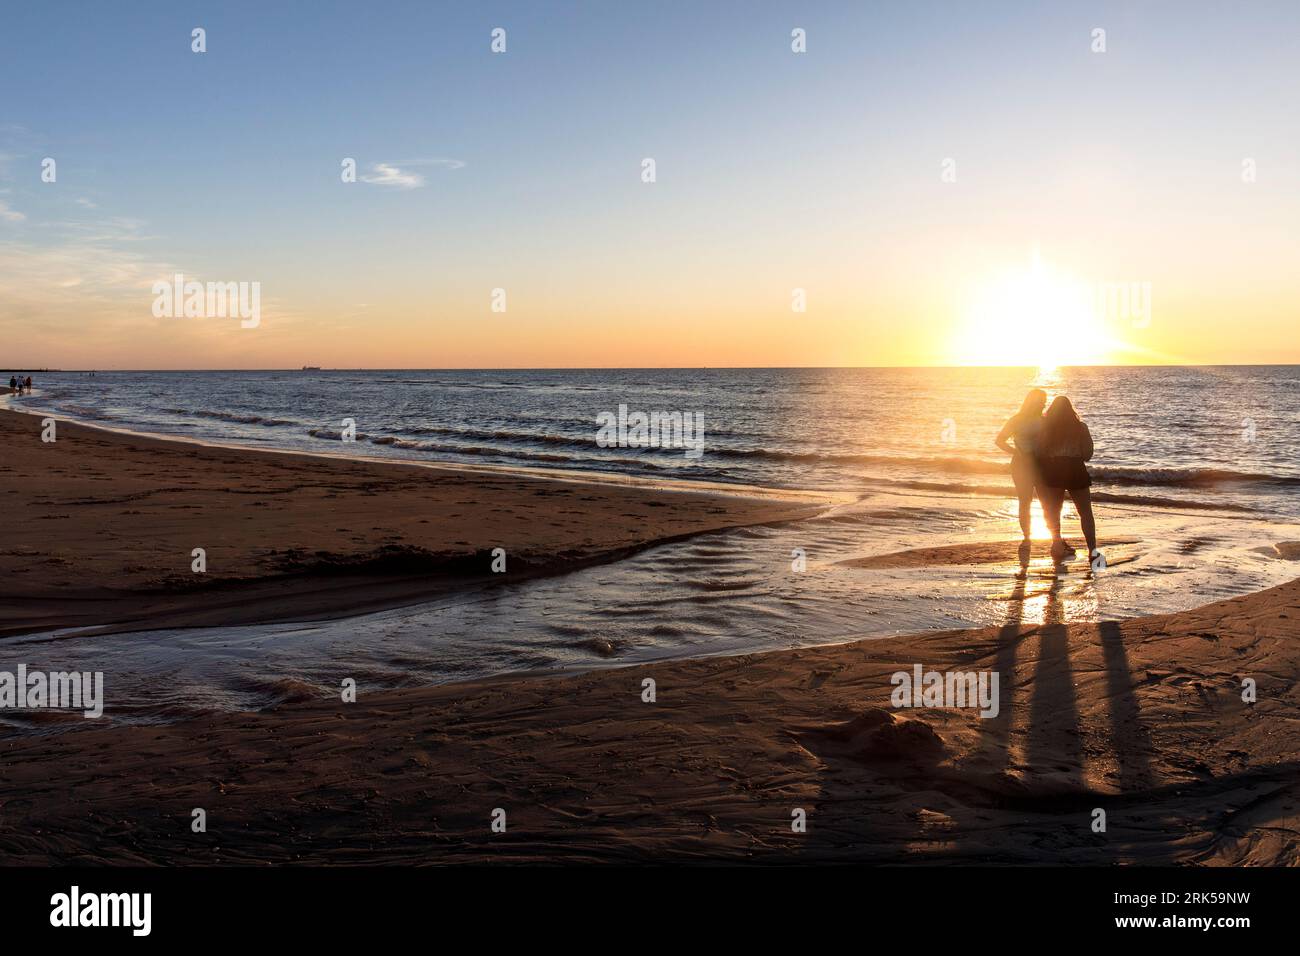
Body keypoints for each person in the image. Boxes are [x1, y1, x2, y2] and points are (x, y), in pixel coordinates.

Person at [1036, 396, 1099, 563]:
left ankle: (1057, 546)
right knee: (1085, 512)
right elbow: (1088, 454)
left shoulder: (1046, 427)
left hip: (1053, 469)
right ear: (1071, 410)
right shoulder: (1080, 428)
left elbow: (1040, 451)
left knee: (1053, 511)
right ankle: (1093, 551)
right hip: (1075, 468)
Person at [995, 388, 1046, 543]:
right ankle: (1027, 537)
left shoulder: (1044, 420)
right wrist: (1016, 453)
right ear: (1032, 402)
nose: (1043, 404)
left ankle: (1054, 537)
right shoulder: (1016, 420)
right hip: (1021, 464)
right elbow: (999, 440)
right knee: (1025, 501)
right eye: (1041, 401)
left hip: (1041, 463)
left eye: (1044, 401)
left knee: (1047, 500)